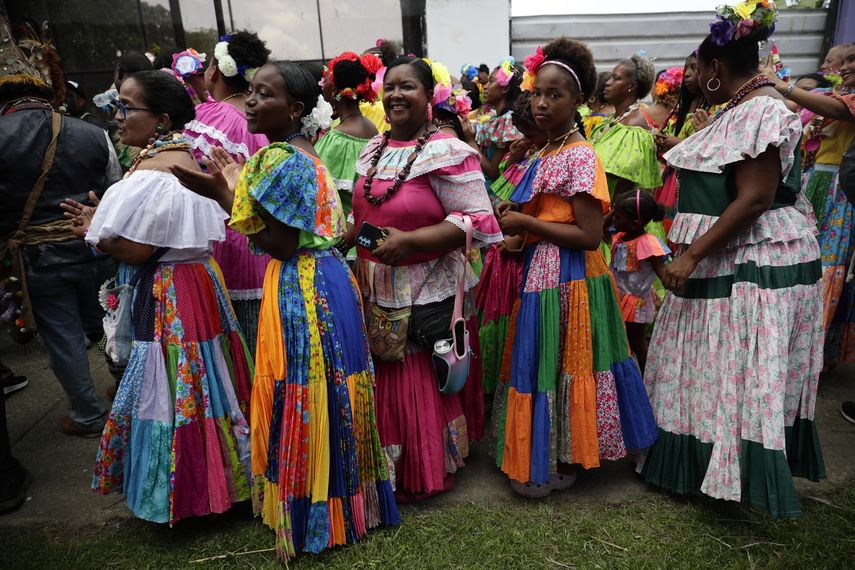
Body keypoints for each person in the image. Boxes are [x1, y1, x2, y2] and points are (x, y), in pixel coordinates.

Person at [172, 61, 399, 559]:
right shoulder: (304, 152)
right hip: (325, 279)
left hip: (303, 284)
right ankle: (346, 505)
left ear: (294, 109)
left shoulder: (279, 158)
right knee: (330, 387)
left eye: (264, 94)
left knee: (305, 386)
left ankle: (314, 512)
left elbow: (276, 244)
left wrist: (223, 193)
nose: (251, 101)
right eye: (250, 91)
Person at [638, 2, 825, 518]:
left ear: (716, 69)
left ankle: (731, 476)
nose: (696, 76)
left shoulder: (760, 109)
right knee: (712, 369)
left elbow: (755, 197)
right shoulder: (742, 107)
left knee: (735, 371)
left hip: (751, 260)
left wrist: (691, 256)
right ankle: (699, 467)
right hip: (727, 257)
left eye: (700, 67)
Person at [65, 70, 253, 523]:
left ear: (162, 118)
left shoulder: (157, 170)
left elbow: (141, 248)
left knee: (174, 382)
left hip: (171, 291)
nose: (118, 115)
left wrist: (94, 233)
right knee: (203, 377)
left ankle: (188, 492)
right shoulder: (181, 157)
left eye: (128, 107)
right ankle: (223, 482)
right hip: (196, 283)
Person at [495, 38, 657, 498]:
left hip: (572, 278)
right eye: (537, 94)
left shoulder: (580, 155)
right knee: (548, 362)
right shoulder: (545, 151)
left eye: (555, 95)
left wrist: (527, 223)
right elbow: (548, 218)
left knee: (566, 364)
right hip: (543, 271)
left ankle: (565, 455)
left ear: (579, 100)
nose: (542, 103)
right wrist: (518, 235)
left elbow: (589, 235)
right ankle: (545, 451)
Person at [348, 56, 502, 502]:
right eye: (390, 86)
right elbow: (365, 211)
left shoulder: (447, 150)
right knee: (386, 369)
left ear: (428, 95)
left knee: (414, 371)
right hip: (375, 284)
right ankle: (387, 467)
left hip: (426, 288)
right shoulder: (372, 149)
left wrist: (412, 243)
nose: (396, 94)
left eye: (408, 87)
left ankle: (425, 467)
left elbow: (479, 220)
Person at [0, 18, 119, 437]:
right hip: (93, 249)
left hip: (38, 260)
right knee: (107, 322)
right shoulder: (93, 133)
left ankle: (88, 414)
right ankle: (126, 392)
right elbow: (116, 193)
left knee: (63, 336)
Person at [762, 44, 855, 367]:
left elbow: (837, 110)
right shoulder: (830, 94)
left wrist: (782, 83)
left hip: (840, 194)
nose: (843, 65)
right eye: (842, 60)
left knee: (828, 267)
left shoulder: (842, 101)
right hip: (815, 182)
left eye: (850, 60)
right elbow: (790, 108)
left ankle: (811, 353)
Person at [183, 31, 271, 352]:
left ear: (216, 70)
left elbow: (186, 175)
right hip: (258, 240)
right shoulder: (260, 115)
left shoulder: (210, 115)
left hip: (221, 239)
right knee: (256, 339)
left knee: (228, 342)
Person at [477, 91, 546, 432]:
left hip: (525, 260)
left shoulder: (554, 160)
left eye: (529, 135)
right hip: (512, 254)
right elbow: (509, 192)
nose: (524, 141)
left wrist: (518, 233)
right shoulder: (530, 157)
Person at [609, 191, 670, 372]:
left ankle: (646, 376)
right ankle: (626, 375)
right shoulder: (620, 234)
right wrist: (613, 212)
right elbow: (601, 229)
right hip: (618, 295)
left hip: (635, 302)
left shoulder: (647, 242)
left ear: (636, 223)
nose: (613, 220)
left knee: (637, 341)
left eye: (617, 217)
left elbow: (661, 270)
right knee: (621, 340)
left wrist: (672, 283)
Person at [654, 52, 715, 233]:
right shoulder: (681, 108)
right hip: (669, 175)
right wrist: (660, 140)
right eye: (686, 68)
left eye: (694, 68)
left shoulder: (712, 108)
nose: (687, 73)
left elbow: (708, 144)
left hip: (687, 180)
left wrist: (676, 143)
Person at [317, 51, 382, 218]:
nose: (322, 84)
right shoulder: (371, 128)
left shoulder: (338, 139)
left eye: (326, 80)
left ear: (335, 90)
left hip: (341, 234)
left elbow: (318, 190)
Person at [590, 53, 661, 199]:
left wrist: (607, 220)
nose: (608, 83)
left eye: (616, 79)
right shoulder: (611, 120)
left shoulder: (633, 125)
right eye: (610, 77)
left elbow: (625, 186)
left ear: (632, 86)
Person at [465, 57, 522, 194]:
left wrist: (470, 141)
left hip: (495, 196)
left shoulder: (508, 122)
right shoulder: (498, 118)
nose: (484, 86)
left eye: (491, 81)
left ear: (505, 88)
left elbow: (494, 172)